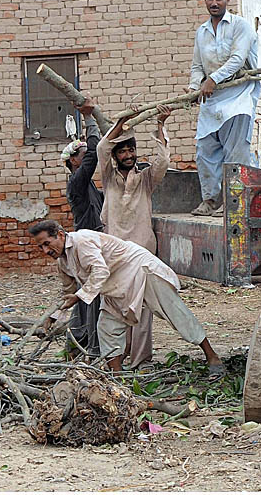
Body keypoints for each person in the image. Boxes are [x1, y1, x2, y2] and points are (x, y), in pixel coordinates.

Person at [30, 220, 224, 376]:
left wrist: (80, 297)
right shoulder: (62, 262)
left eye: (47, 243)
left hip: (140, 270)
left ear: (61, 235)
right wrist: (51, 317)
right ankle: (117, 377)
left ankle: (212, 357)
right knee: (106, 327)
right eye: (41, 248)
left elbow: (99, 271)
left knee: (175, 313)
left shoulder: (82, 241)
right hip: (115, 285)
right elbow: (66, 293)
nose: (46, 251)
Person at [96, 106, 171, 368]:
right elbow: (102, 149)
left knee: (142, 306)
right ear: (116, 156)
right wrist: (122, 121)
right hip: (114, 252)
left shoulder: (146, 179)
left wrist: (160, 125)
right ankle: (118, 355)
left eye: (131, 151)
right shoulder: (109, 178)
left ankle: (141, 360)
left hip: (142, 251)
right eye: (123, 151)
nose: (128, 155)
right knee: (116, 303)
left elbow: (163, 162)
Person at [189, 0, 261, 216]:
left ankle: (234, 203)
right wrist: (194, 87)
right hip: (212, 99)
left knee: (235, 154)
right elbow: (198, 66)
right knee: (205, 151)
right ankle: (210, 200)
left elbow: (237, 59)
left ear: (227, 1)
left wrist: (213, 80)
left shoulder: (241, 26)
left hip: (238, 96)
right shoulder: (202, 31)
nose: (214, 3)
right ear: (205, 1)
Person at [59, 99, 105, 357]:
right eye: (82, 154)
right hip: (85, 245)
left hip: (91, 242)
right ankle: (91, 347)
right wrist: (90, 120)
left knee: (88, 295)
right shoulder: (77, 182)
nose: (86, 157)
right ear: (74, 162)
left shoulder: (90, 188)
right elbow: (95, 154)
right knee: (91, 296)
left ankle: (79, 342)